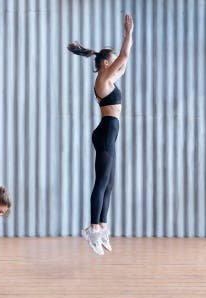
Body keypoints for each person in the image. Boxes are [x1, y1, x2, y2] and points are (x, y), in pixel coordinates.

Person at [68, 13, 134, 255]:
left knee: (109, 184)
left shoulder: (109, 77)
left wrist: (129, 38)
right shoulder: (103, 78)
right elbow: (124, 57)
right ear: (106, 63)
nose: (117, 62)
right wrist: (128, 34)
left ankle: (102, 226)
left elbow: (124, 62)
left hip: (109, 132)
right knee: (101, 182)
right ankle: (92, 228)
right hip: (106, 132)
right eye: (113, 59)